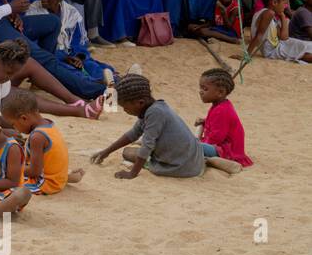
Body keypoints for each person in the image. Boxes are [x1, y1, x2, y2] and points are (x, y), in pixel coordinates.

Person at [90, 75, 239, 179]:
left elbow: (147, 146)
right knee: (129, 151)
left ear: (140, 102)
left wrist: (132, 173)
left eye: (125, 107)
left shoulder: (154, 113)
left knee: (129, 153)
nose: (125, 111)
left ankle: (207, 161)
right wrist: (106, 152)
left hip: (181, 167)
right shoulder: (154, 107)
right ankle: (205, 161)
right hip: (191, 157)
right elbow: (133, 134)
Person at [26, 0, 115, 83]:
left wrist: (78, 57)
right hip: (49, 57)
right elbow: (35, 46)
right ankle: (95, 83)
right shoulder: (33, 12)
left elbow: (79, 43)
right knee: (67, 70)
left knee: (90, 65)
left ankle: (114, 80)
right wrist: (63, 57)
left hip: (70, 55)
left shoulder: (72, 13)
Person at [0, 89, 82, 195]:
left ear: (24, 118)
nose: (16, 129)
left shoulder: (37, 137)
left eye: (14, 124)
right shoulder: (47, 124)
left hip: (46, 184)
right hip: (56, 178)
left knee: (1, 177)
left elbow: (34, 171)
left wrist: (11, 170)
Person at [196, 68, 253, 168]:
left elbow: (216, 137)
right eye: (201, 88)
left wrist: (199, 143)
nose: (201, 92)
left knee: (193, 146)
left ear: (220, 92)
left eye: (205, 89)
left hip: (227, 152)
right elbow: (217, 124)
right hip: (221, 147)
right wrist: (204, 122)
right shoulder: (220, 105)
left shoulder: (221, 110)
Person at [247, 0, 312, 63]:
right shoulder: (268, 13)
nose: (285, 6)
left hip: (279, 45)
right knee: (305, 52)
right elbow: (258, 36)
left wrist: (282, 16)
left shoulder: (272, 15)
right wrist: (247, 55)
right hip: (272, 51)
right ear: (274, 2)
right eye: (284, 3)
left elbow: (284, 37)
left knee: (307, 45)